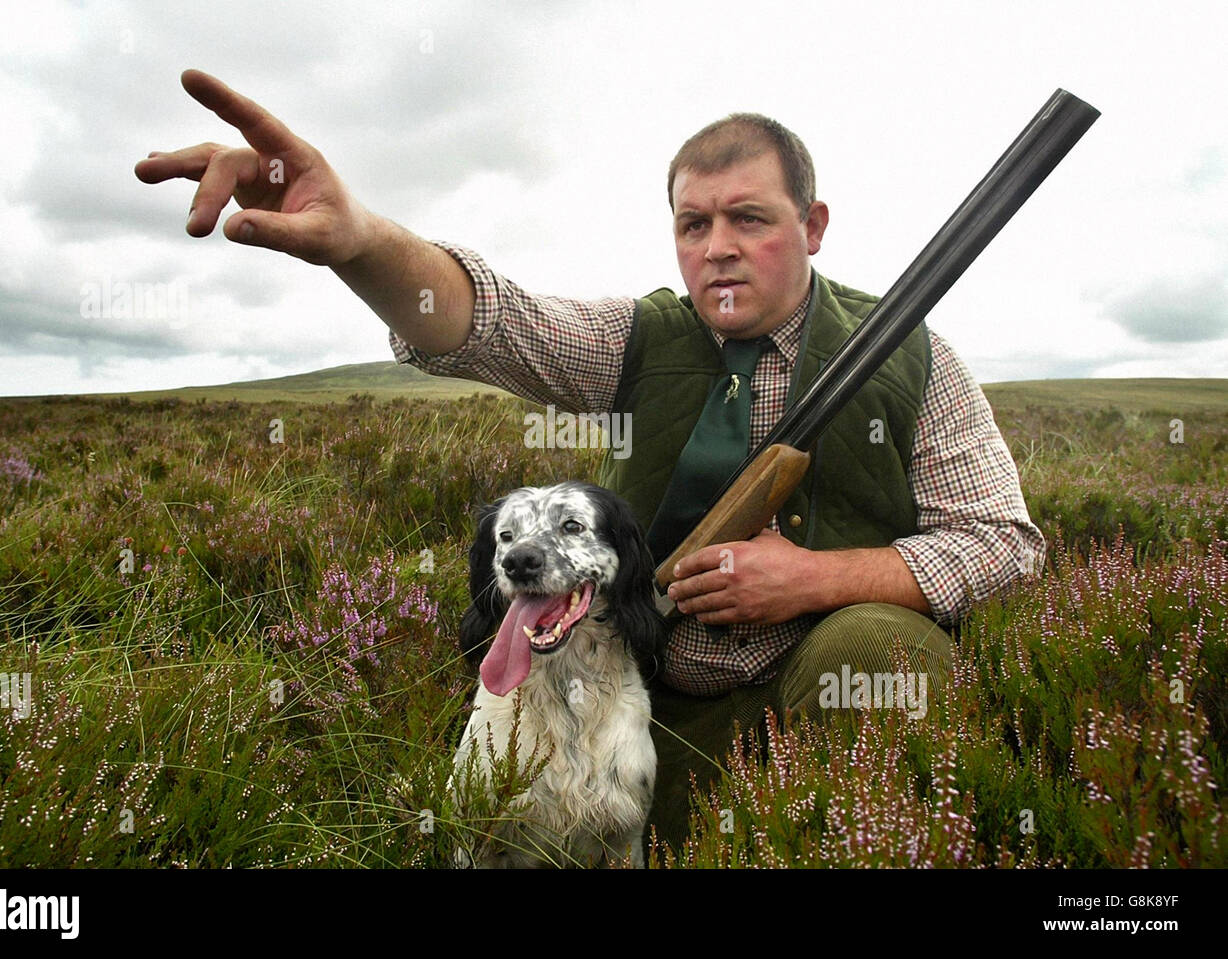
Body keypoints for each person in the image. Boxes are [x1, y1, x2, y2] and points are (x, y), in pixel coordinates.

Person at [137, 70, 1046, 853]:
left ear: (812, 225)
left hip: (821, 699)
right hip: (652, 718)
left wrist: (813, 580)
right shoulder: (644, 336)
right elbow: (491, 321)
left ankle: (851, 836)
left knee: (879, 648)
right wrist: (363, 243)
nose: (716, 245)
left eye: (749, 219)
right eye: (693, 223)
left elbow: (1005, 543)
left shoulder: (916, 358)